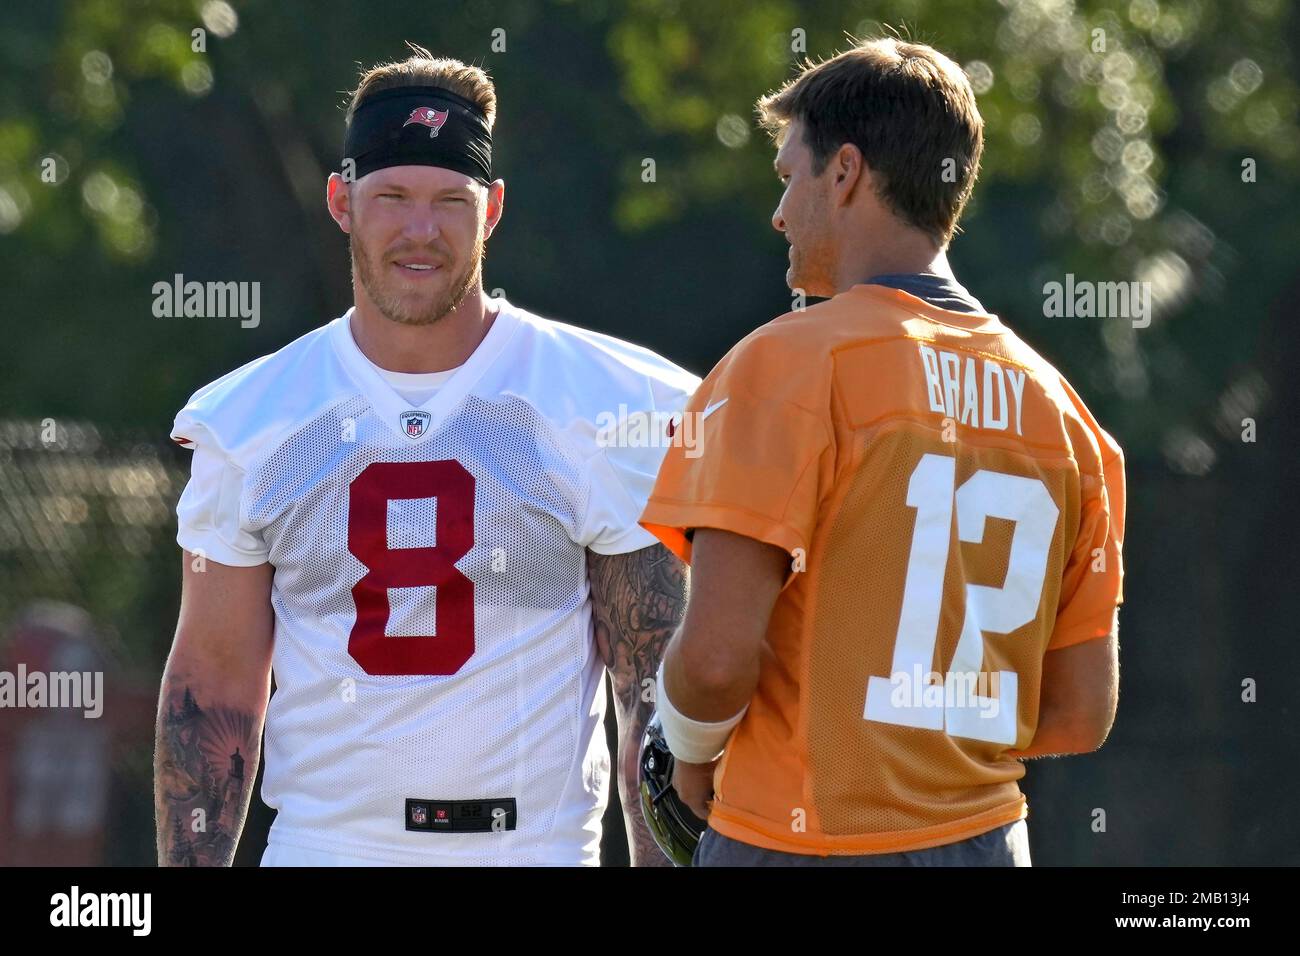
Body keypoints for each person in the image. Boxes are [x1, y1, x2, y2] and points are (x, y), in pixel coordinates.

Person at [155, 46, 697, 866]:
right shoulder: (255, 417)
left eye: (451, 199)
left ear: (494, 210)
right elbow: (212, 689)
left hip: (529, 848)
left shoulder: (603, 402)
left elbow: (651, 695)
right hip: (323, 848)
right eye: (393, 197)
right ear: (342, 201)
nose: (421, 230)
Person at [640, 37, 1125, 866]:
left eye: (790, 176)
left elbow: (717, 662)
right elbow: (1082, 710)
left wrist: (682, 752)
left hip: (799, 841)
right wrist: (922, 737)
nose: (780, 213)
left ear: (846, 172)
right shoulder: (1064, 414)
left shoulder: (787, 362)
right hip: (987, 843)